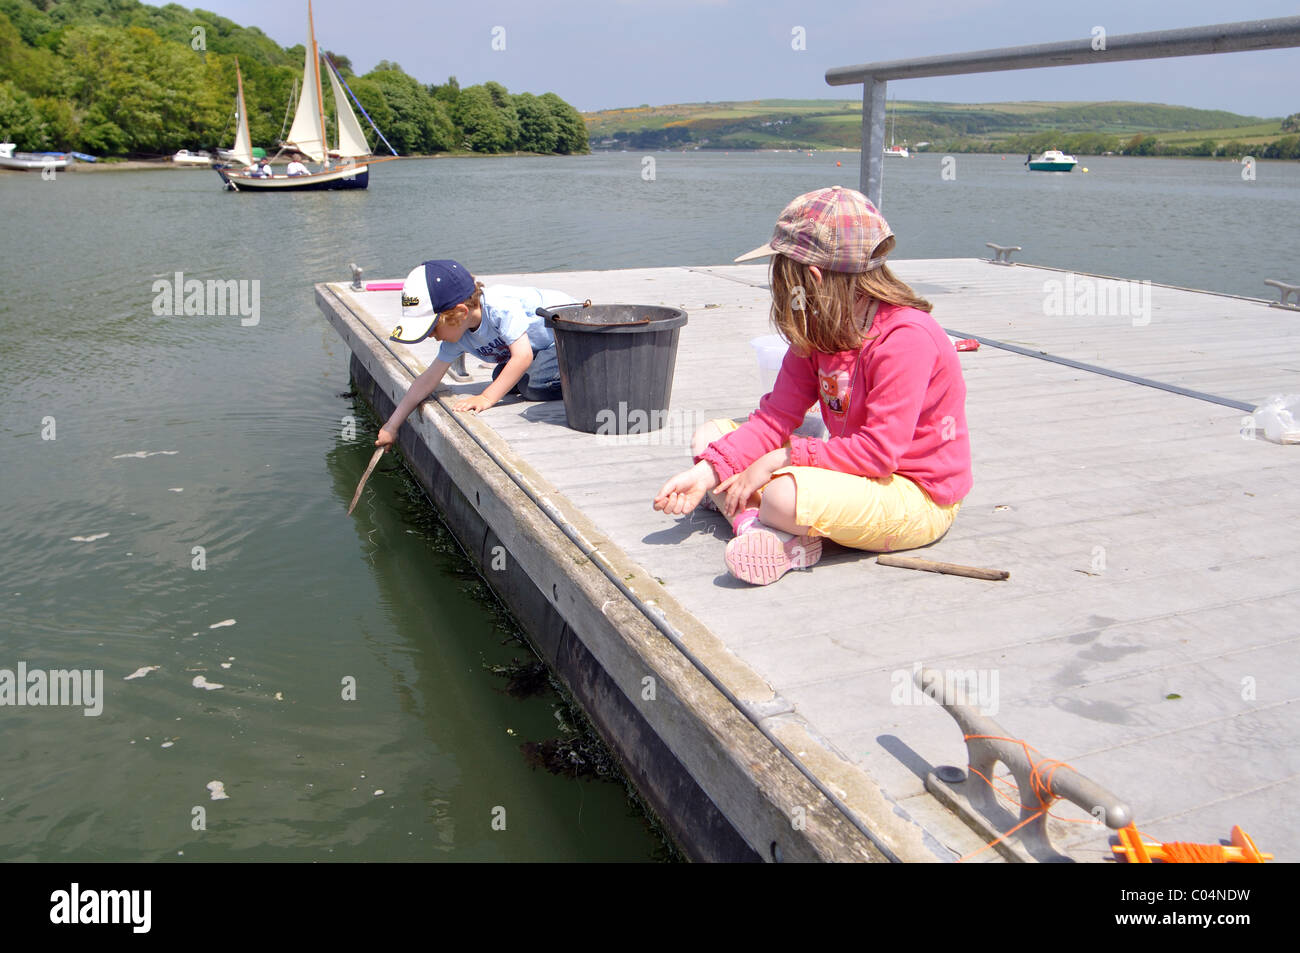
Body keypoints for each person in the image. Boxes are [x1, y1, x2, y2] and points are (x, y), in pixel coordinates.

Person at [653, 186, 972, 586]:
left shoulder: (906, 337)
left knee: (782, 495)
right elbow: (774, 417)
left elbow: (879, 454)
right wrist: (706, 474)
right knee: (708, 440)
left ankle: (763, 514)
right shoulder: (818, 330)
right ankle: (757, 526)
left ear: (813, 279)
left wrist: (776, 460)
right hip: (856, 471)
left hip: (915, 495)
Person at [375, 260, 573, 449]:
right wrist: (392, 425)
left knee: (532, 386)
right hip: (543, 349)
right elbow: (428, 379)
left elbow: (522, 357)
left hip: (572, 336)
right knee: (501, 378)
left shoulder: (498, 307)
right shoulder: (458, 332)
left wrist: (486, 398)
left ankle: (584, 376)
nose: (431, 336)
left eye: (433, 329)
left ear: (460, 313)